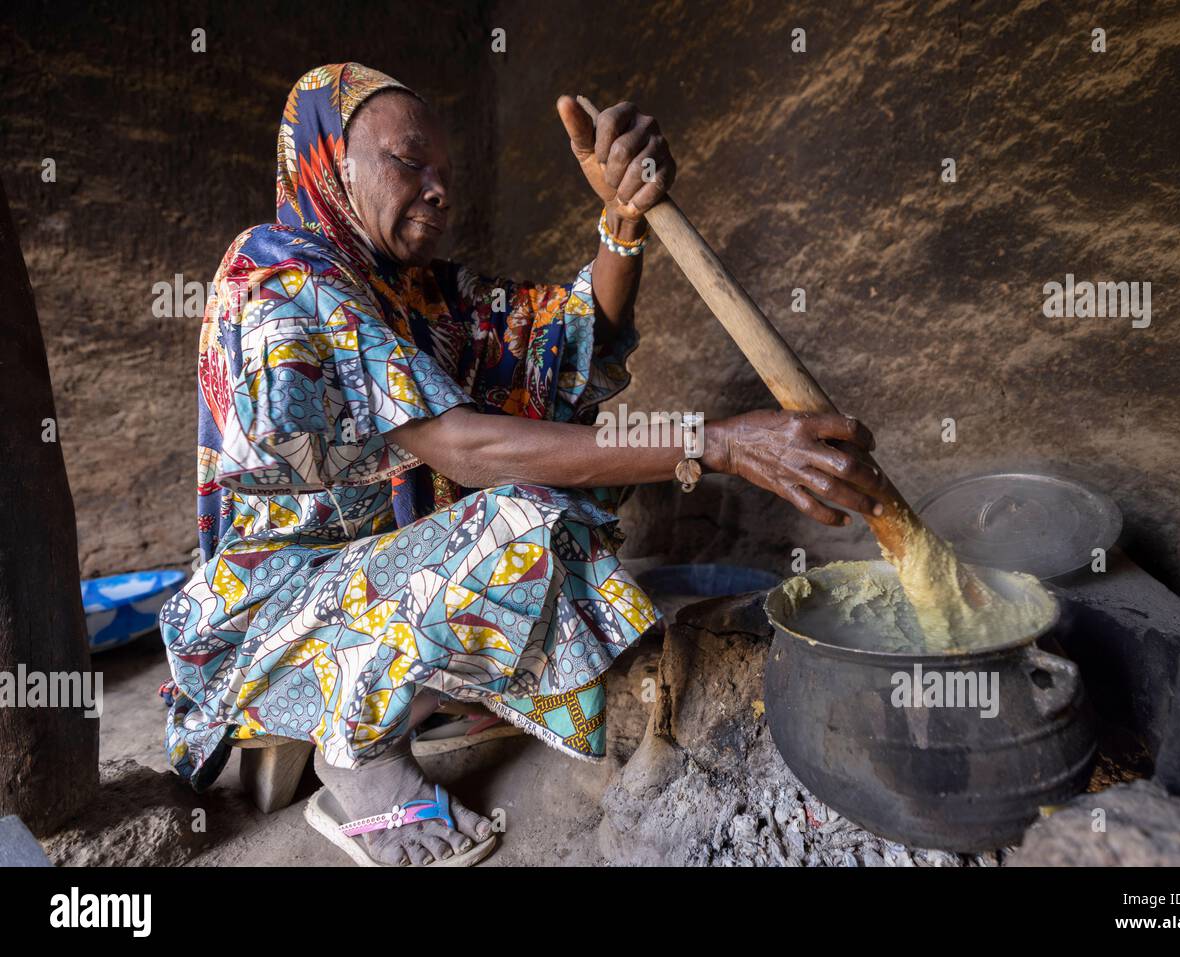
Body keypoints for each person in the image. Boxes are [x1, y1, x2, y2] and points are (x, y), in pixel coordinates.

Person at [159, 62, 884, 866]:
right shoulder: (280, 276)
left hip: (370, 587)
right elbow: (470, 448)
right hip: (272, 620)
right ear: (331, 160)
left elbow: (568, 342)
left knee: (569, 505)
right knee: (530, 519)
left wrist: (622, 219)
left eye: (443, 173)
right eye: (409, 162)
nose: (438, 189)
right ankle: (355, 760)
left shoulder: (411, 292)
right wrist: (717, 444)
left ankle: (410, 690)